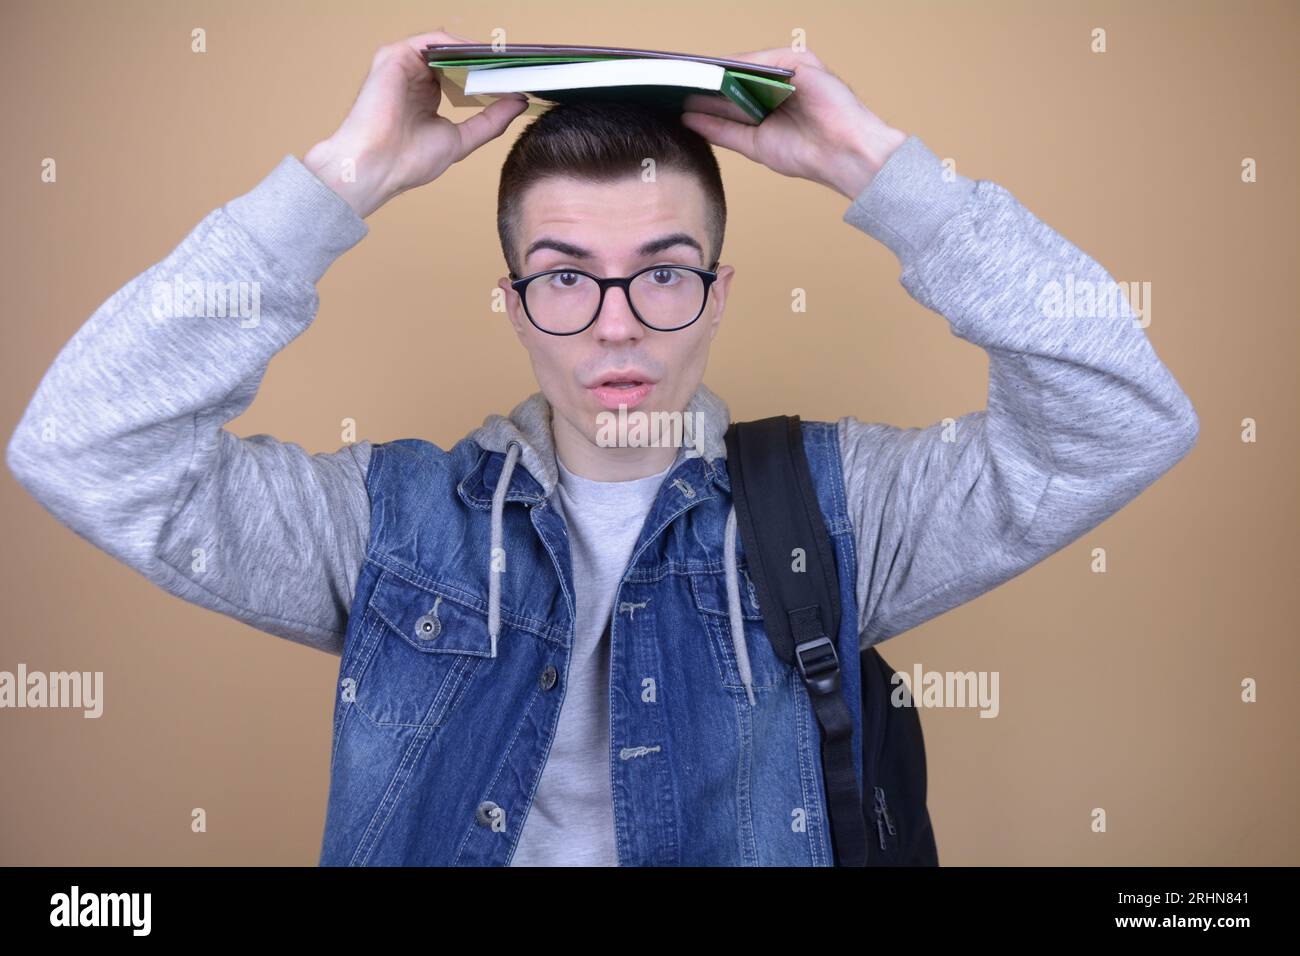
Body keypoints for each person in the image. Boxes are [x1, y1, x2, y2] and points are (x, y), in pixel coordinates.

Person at [7, 29, 1199, 866]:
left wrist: (875, 169)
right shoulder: (390, 528)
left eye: (663, 272)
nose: (618, 320)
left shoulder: (840, 516)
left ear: (720, 292)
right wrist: (343, 179)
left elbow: (1120, 415)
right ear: (516, 299)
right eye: (567, 275)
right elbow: (85, 442)